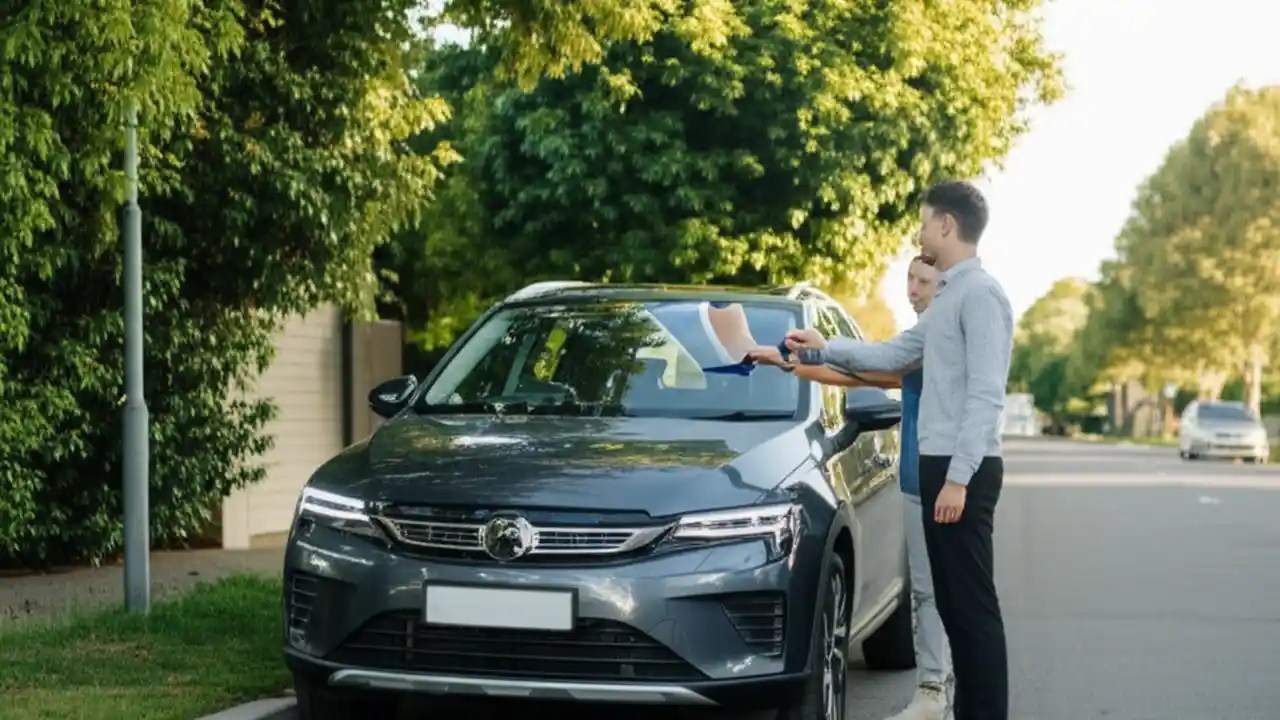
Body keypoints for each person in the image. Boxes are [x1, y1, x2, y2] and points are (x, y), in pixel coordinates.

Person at [784, 180, 1014, 720]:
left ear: (946, 226)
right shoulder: (952, 294)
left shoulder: (981, 295)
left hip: (963, 471)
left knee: (973, 609)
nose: (918, 230)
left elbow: (985, 394)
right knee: (954, 609)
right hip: (937, 466)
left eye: (923, 220)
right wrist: (823, 346)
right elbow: (897, 351)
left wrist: (958, 478)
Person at [748, 256, 953, 720]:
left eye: (924, 281)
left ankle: (936, 690)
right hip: (917, 478)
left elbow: (874, 362)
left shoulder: (934, 336)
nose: (914, 290)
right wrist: (789, 363)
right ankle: (935, 690)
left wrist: (819, 349)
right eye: (910, 279)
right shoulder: (921, 339)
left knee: (939, 591)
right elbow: (865, 375)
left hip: (943, 480)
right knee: (926, 591)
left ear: (944, 286)